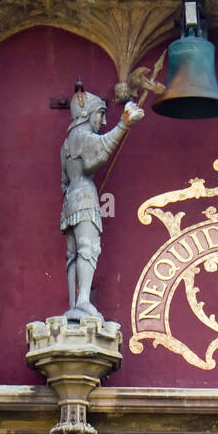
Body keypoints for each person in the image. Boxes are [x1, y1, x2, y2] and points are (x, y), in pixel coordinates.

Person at [61, 84, 143, 318]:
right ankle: (83, 301)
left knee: (74, 254)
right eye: (100, 114)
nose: (103, 121)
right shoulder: (82, 137)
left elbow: (63, 181)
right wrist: (124, 124)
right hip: (85, 197)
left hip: (70, 199)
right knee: (88, 248)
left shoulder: (67, 144)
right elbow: (101, 149)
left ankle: (75, 303)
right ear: (86, 113)